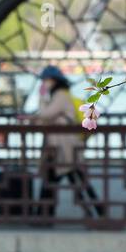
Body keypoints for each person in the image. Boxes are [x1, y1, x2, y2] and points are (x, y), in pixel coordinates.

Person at [32, 65, 103, 219]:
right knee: (61, 181)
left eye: (46, 80)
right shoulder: (59, 96)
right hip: (60, 149)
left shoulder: (61, 96)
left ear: (54, 80)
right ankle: (44, 216)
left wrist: (41, 98)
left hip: (65, 149)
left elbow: (45, 114)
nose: (44, 83)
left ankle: (97, 212)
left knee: (71, 181)